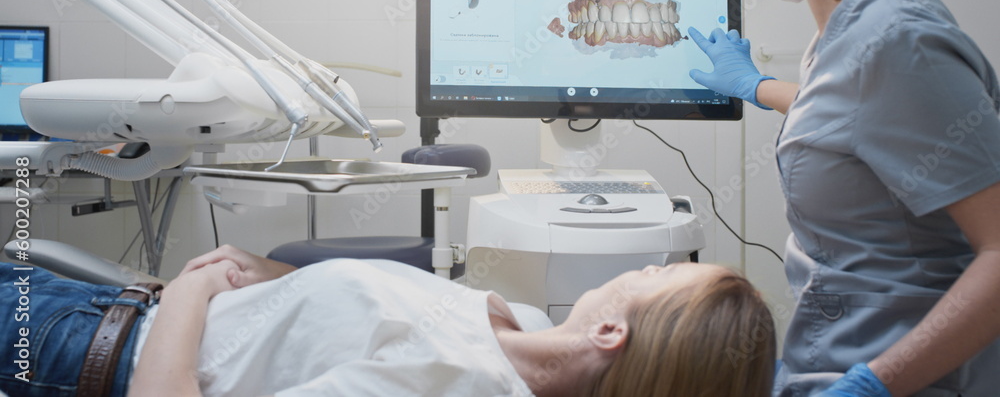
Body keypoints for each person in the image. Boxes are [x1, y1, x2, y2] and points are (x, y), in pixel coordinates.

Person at [688, 0, 1000, 395]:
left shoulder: (897, 40)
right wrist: (758, 87)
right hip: (834, 365)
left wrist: (873, 383)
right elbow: (868, 119)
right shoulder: (860, 20)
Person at [0, 245, 776, 396]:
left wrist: (190, 291)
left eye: (658, 274)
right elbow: (349, 322)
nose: (643, 265)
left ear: (611, 332)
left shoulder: (451, 381)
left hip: (74, 353)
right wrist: (269, 273)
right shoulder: (518, 321)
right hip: (98, 311)